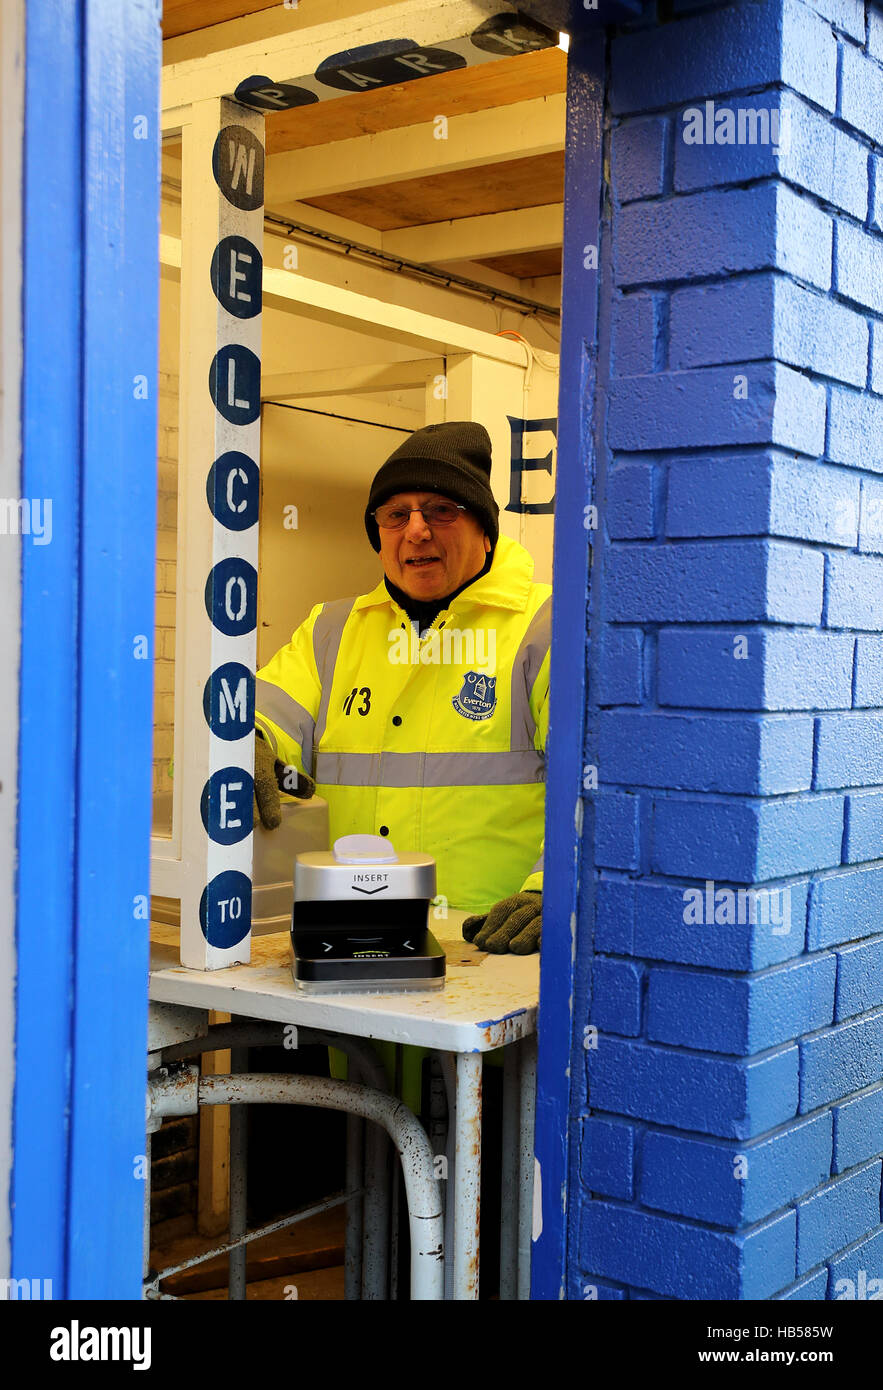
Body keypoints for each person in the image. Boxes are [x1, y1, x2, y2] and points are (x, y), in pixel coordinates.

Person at [252, 420, 550, 954]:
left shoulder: (546, 627)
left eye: (441, 510)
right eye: (396, 516)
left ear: (484, 528)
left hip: (495, 957)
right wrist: (242, 745)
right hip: (346, 947)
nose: (417, 531)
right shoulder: (331, 630)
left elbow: (604, 790)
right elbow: (253, 716)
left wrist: (557, 892)